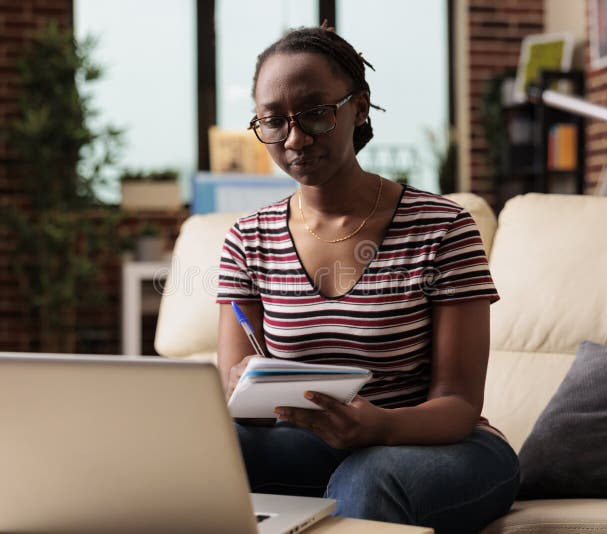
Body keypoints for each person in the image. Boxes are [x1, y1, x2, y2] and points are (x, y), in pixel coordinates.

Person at [216, 23, 519, 533]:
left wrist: (379, 425)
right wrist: (242, 384)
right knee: (204, 453)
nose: (294, 139)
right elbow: (236, 401)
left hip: (434, 447)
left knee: (368, 477)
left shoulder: (443, 227)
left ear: (358, 107)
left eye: (314, 113)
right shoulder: (248, 239)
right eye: (273, 121)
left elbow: (460, 404)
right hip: (307, 446)